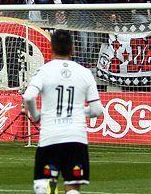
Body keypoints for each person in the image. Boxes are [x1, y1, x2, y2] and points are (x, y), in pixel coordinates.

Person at [23, 29, 103, 194]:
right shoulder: (85, 73)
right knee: (73, 187)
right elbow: (97, 110)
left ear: (51, 48)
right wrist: (79, 112)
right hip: (76, 138)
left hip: (50, 137)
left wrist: (36, 115)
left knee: (43, 185)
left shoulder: (44, 71)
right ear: (72, 49)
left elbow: (29, 96)